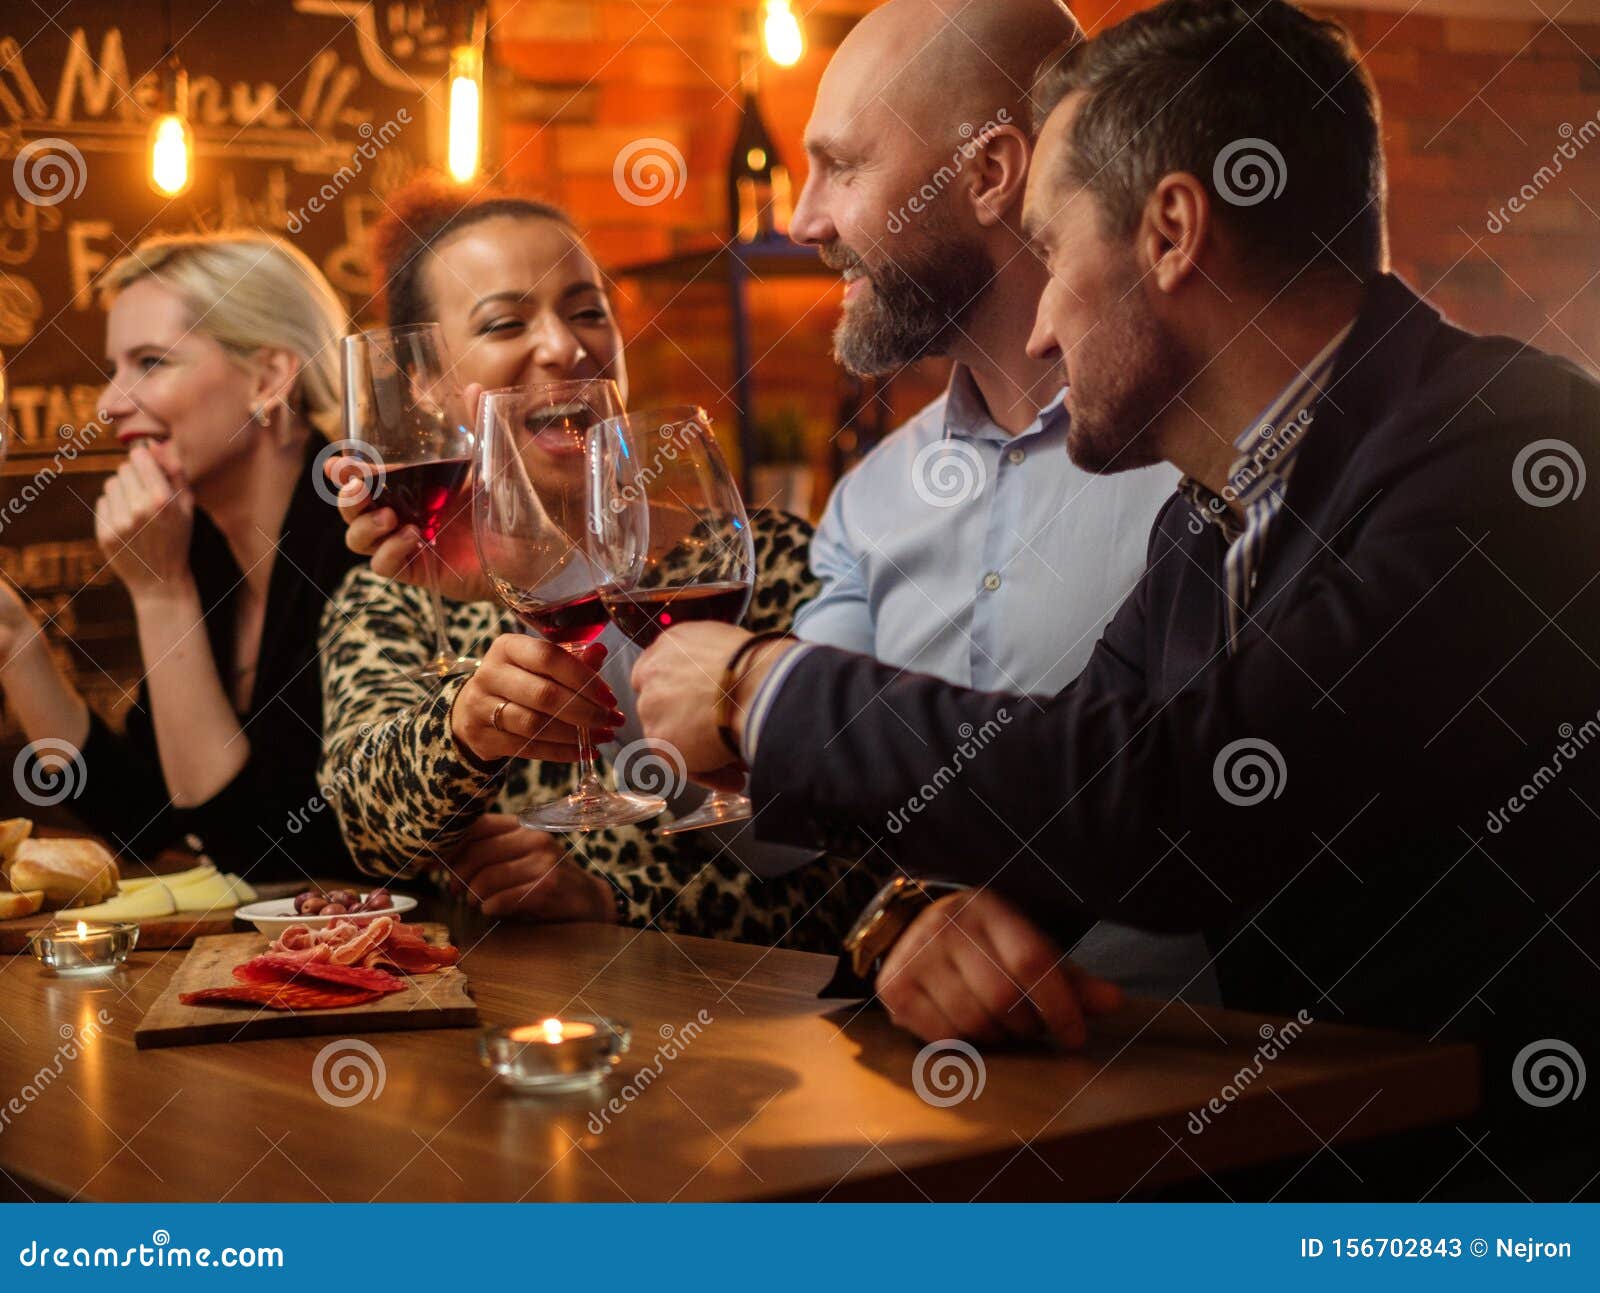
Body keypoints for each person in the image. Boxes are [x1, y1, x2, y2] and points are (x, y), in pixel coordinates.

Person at [632, 0, 1600, 1186]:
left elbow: (1195, 788)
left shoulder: (1512, 445)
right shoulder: (1210, 512)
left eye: (1052, 249)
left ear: (1171, 231)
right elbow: (1080, 799)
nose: (1035, 330)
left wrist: (762, 689)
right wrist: (915, 924)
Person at [316, 182, 887, 944]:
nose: (563, 345)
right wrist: (468, 720)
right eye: (505, 322)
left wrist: (612, 898)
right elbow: (368, 826)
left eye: (587, 311)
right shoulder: (393, 594)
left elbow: (855, 869)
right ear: (427, 384)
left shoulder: (768, 559)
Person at [773, 0, 1208, 1000]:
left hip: (1198, 1100)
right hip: (924, 1091)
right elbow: (788, 808)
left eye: (841, 166)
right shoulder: (870, 498)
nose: (804, 219)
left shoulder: (1207, 463)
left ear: (986, 172)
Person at [0, 232, 362, 880]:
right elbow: (146, 814)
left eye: (151, 362)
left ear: (270, 376)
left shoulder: (363, 534)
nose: (110, 403)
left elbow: (260, 854)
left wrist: (160, 595)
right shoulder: (198, 544)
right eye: (115, 369)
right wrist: (16, 645)